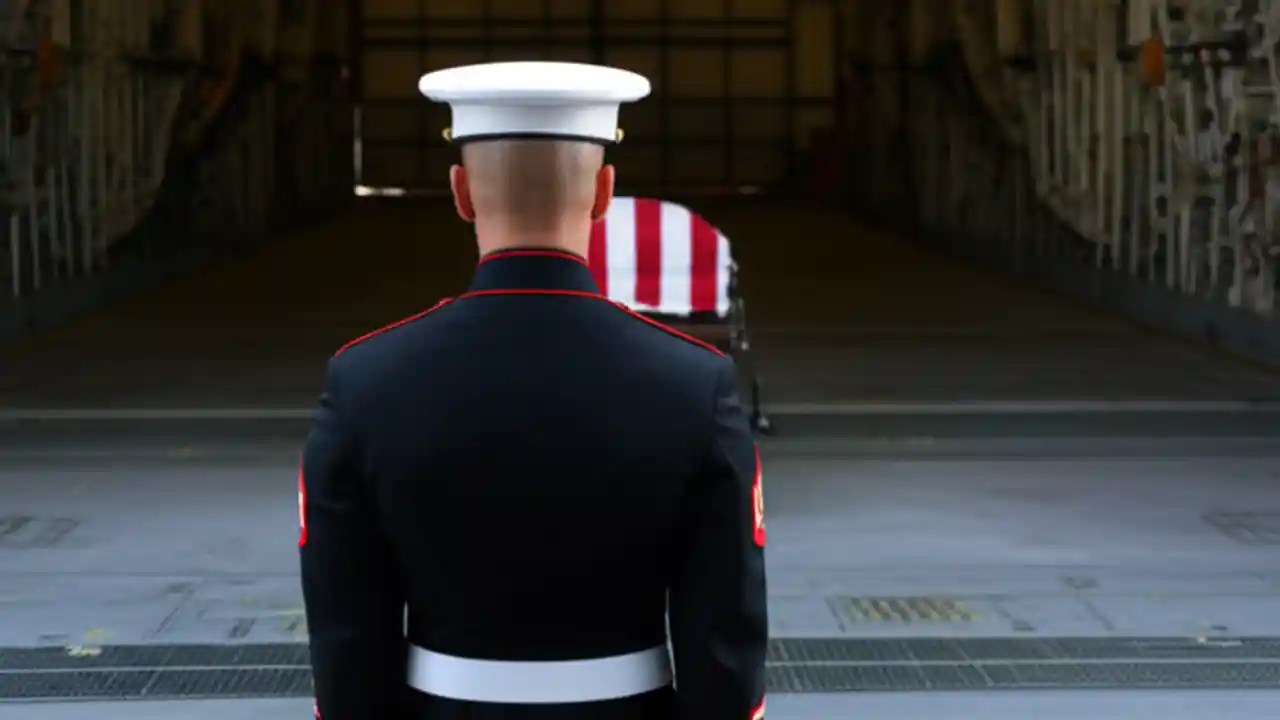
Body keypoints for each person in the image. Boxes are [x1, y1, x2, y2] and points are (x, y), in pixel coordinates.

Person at [298, 61, 768, 720]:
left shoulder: (366, 379)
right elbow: (725, 635)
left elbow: (345, 634)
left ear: (460, 192)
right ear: (606, 192)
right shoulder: (694, 381)